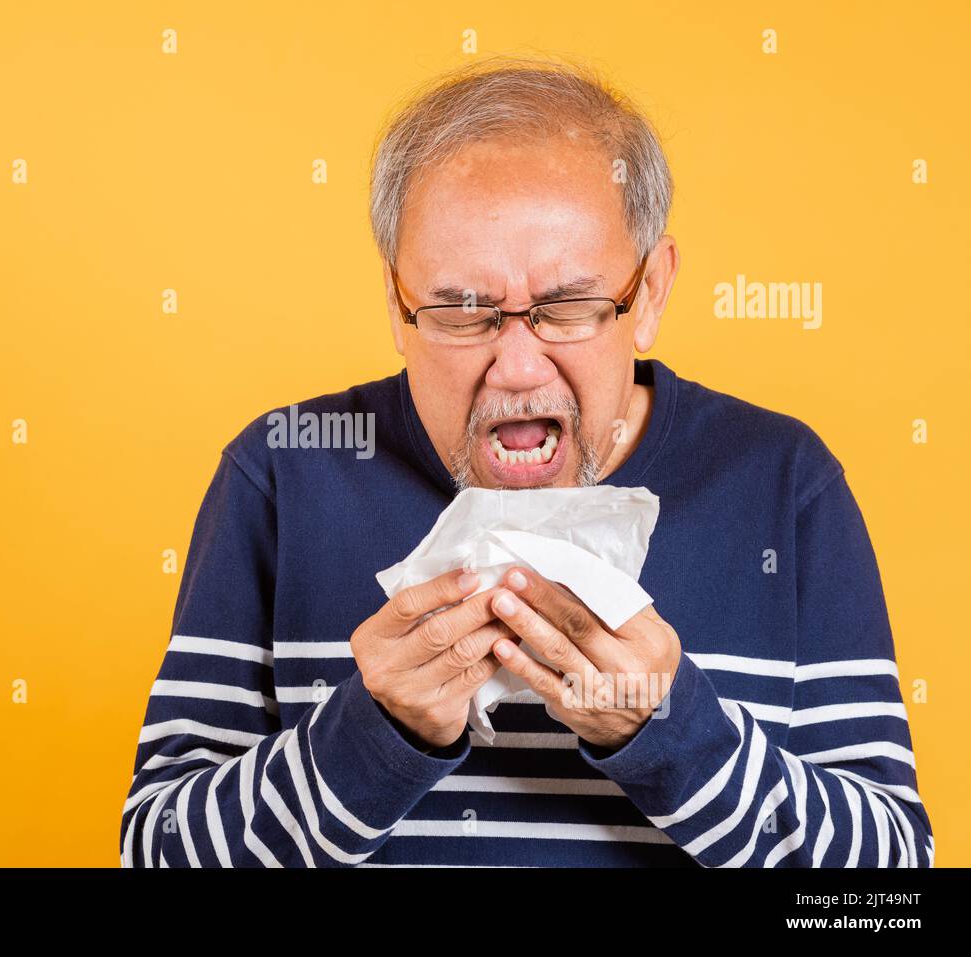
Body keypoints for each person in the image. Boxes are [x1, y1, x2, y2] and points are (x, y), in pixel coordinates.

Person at [120, 56, 932, 867]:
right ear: (397, 305)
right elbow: (154, 853)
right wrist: (368, 735)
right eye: (459, 311)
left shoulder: (785, 484)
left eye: (568, 308)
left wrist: (670, 729)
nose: (515, 366)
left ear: (648, 294)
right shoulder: (283, 474)